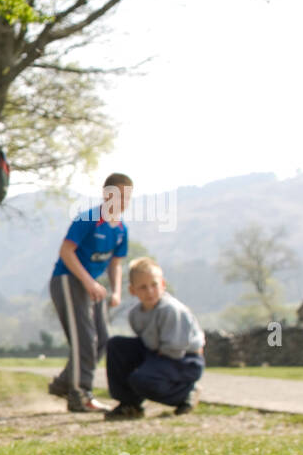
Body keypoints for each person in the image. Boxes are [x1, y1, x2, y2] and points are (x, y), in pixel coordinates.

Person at [48, 173, 132, 412]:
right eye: (119, 195)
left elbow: (116, 263)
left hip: (92, 286)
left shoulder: (121, 229)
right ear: (107, 195)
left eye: (127, 196)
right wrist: (88, 282)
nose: (124, 201)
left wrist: (115, 291)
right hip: (68, 281)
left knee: (102, 340)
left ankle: (64, 383)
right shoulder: (89, 219)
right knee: (85, 339)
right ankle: (80, 394)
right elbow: (66, 251)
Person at [104, 257, 205, 418]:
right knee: (116, 345)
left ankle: (185, 394)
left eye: (154, 285)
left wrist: (147, 367)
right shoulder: (135, 315)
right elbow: (145, 342)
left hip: (184, 360)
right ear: (133, 290)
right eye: (143, 287)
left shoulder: (171, 310)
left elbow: (176, 349)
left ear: (163, 285)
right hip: (156, 353)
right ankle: (129, 403)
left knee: (141, 379)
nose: (150, 291)